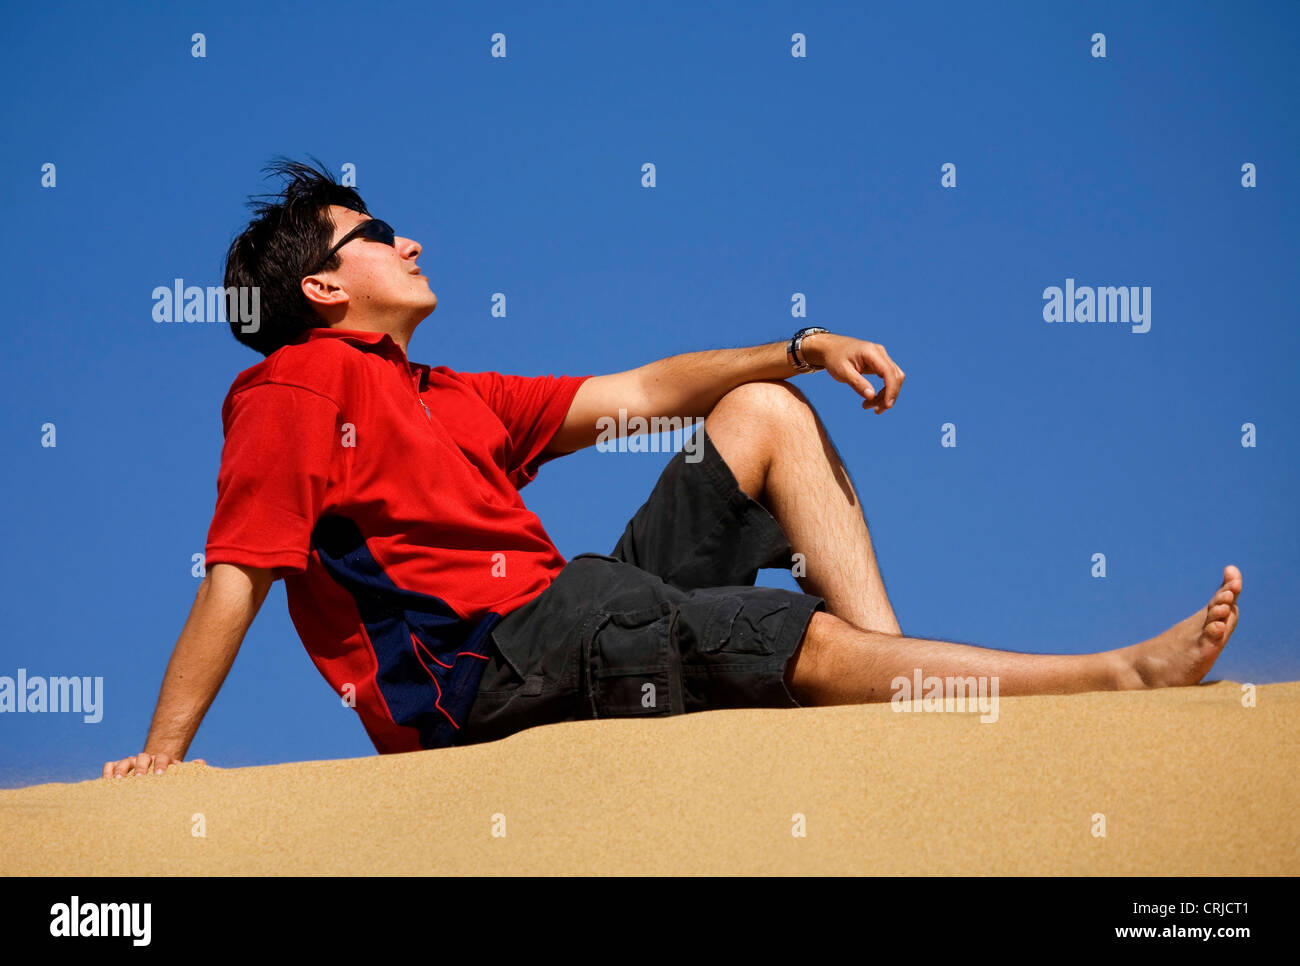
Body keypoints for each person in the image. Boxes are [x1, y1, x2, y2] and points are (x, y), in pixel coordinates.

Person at [102, 160, 1242, 778]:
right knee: (716, 619)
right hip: (476, 688)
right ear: (321, 288)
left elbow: (646, 393)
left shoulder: (449, 395)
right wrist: (160, 757)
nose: (411, 241)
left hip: (571, 626)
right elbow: (239, 573)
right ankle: (1115, 679)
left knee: (757, 410)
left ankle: (895, 701)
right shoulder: (294, 389)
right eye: (378, 231)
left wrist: (799, 346)